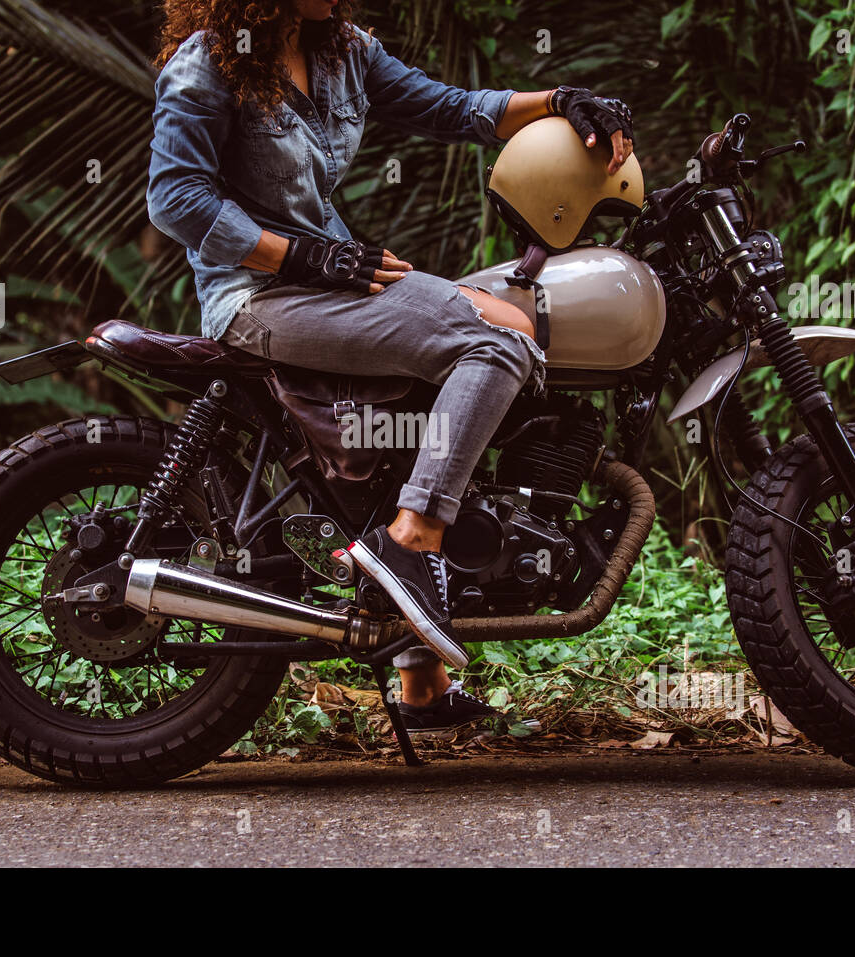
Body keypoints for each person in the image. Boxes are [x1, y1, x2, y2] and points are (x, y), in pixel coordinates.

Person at [148, 0, 633, 732]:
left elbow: (455, 108)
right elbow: (176, 198)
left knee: (459, 363)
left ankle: (421, 680)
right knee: (499, 340)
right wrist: (303, 256)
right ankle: (413, 537)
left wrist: (561, 101)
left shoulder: (345, 52)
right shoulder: (210, 62)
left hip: (334, 279)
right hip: (259, 296)